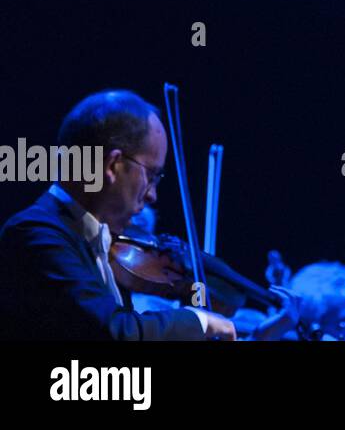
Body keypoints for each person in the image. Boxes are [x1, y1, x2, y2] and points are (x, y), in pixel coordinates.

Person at [0, 90, 236, 340]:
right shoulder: (34, 235)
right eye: (152, 175)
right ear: (113, 165)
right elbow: (114, 333)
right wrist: (198, 320)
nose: (152, 195)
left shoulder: (97, 240)